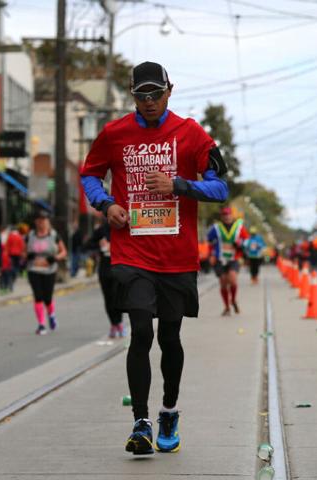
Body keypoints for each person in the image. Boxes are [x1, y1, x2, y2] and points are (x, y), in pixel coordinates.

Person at [79, 60, 229, 455]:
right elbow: (90, 174)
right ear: (132, 96)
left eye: (155, 95)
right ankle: (140, 422)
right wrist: (105, 203)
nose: (148, 103)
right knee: (141, 332)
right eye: (141, 96)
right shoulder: (114, 134)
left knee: (170, 337)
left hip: (177, 256)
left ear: (170, 91)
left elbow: (220, 188)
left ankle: (169, 410)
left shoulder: (191, 134)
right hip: (132, 249)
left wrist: (178, 185)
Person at [26, 211, 67, 335]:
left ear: (48, 222)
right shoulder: (31, 235)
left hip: (50, 270)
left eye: (44, 220)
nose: (41, 222)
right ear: (36, 222)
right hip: (33, 269)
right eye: (39, 220)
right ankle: (41, 324)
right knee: (38, 296)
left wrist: (53, 259)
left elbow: (63, 252)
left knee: (47, 298)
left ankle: (51, 315)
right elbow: (23, 252)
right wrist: (29, 256)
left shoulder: (54, 235)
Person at [85, 220, 126, 338]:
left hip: (119, 267)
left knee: (117, 297)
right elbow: (87, 245)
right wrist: (99, 245)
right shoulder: (101, 230)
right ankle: (114, 324)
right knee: (108, 298)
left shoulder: (122, 227)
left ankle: (119, 323)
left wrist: (116, 246)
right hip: (105, 268)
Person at [207, 206, 249, 315]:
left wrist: (240, 243)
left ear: (232, 215)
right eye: (224, 215)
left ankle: (233, 300)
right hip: (220, 259)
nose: (227, 217)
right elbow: (210, 241)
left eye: (228, 215)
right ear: (221, 216)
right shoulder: (216, 228)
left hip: (233, 258)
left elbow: (247, 240)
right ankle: (226, 307)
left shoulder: (239, 227)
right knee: (223, 283)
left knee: (233, 279)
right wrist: (211, 254)